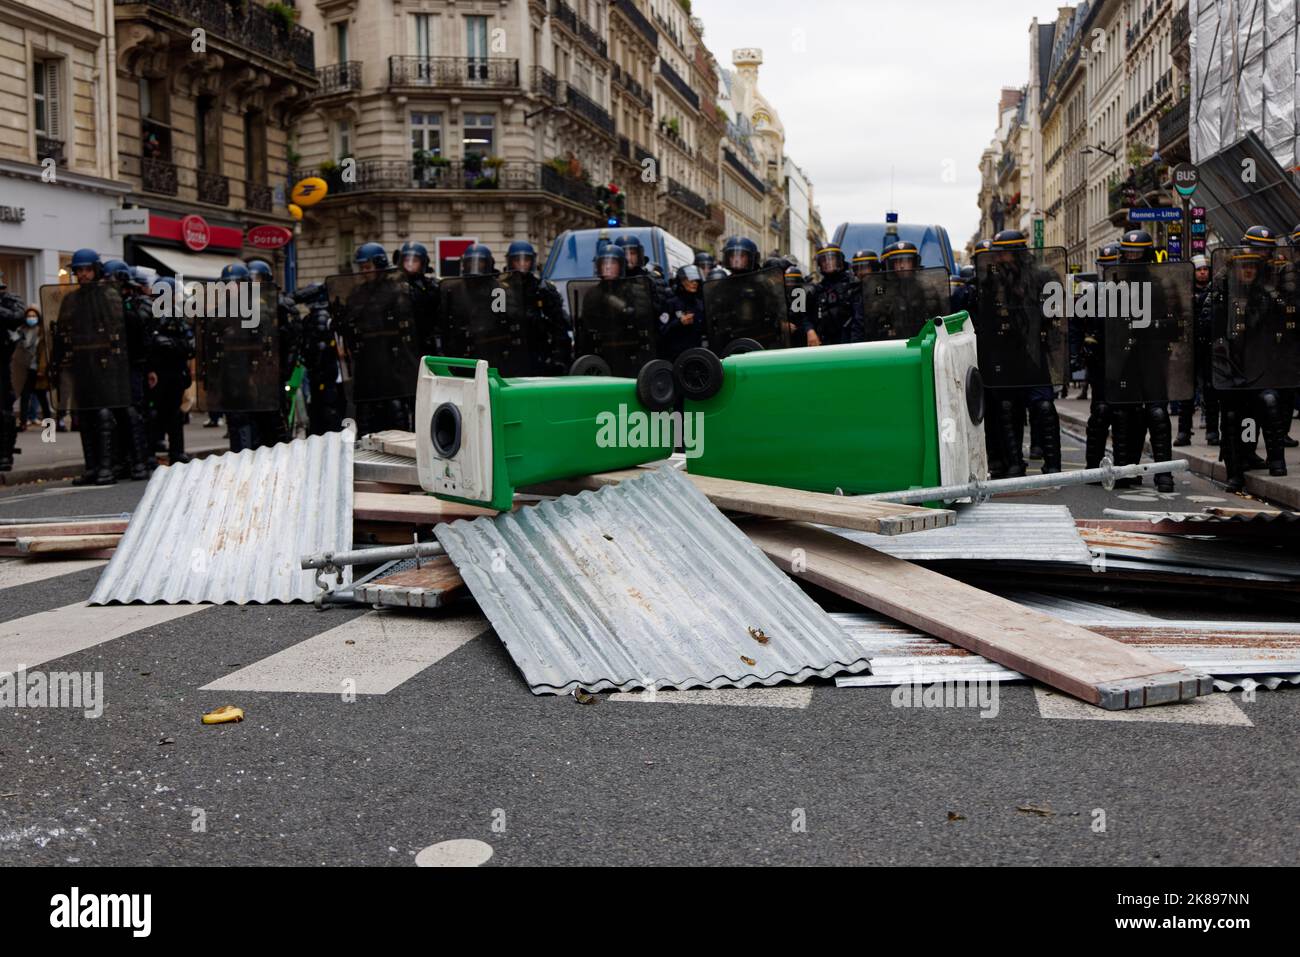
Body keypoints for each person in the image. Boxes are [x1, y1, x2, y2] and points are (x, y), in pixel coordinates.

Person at [976, 229, 1062, 476]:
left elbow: (1055, 311)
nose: (1000, 258)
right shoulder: (991, 281)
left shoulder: (1042, 276)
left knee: (1044, 406)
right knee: (1006, 408)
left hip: (1032, 352)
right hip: (1004, 354)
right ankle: (1014, 463)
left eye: (1004, 253)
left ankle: (1053, 464)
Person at [53, 249, 120, 485]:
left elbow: (118, 331)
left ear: (96, 270)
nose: (83, 274)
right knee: (84, 416)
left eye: (87, 270)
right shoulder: (70, 300)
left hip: (103, 363)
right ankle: (91, 467)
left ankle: (106, 467)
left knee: (103, 415)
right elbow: (61, 333)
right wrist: (58, 362)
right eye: (79, 270)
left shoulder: (108, 296)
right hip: (80, 364)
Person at [145, 276, 194, 464]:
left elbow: (189, 344)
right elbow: (145, 344)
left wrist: (170, 344)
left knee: (174, 413)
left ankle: (177, 451)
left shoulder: (178, 315)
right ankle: (151, 451)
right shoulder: (151, 315)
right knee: (154, 413)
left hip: (174, 370)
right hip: (156, 372)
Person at [504, 240, 571, 375]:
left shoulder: (543, 288)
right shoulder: (500, 290)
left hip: (538, 352)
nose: (522, 264)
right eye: (518, 260)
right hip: (510, 353)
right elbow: (495, 320)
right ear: (511, 262)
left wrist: (559, 356)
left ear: (532, 262)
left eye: (526, 260)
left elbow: (559, 325)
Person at [1082, 243, 1119, 470]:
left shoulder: (1135, 292)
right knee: (1100, 413)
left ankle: (1127, 469)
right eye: (1103, 267)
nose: (1106, 271)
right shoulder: (1092, 293)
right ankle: (1093, 466)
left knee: (1125, 417)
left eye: (1110, 267)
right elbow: (1078, 324)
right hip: (1100, 363)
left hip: (1126, 363)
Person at [292, 283, 344, 435]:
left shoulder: (320, 316)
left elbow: (321, 349)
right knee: (319, 409)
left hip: (324, 374)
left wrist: (314, 365)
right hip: (319, 373)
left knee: (326, 411)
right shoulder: (314, 317)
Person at [394, 241, 440, 354]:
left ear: (422, 263)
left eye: (414, 261)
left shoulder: (431, 286)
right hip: (402, 343)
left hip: (425, 341)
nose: (409, 264)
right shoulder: (393, 285)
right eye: (406, 260)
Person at [810, 244, 858, 346]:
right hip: (826, 343)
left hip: (850, 342)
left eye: (831, 259)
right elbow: (804, 314)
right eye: (824, 260)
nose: (828, 263)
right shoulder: (818, 289)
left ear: (839, 260)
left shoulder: (853, 284)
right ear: (819, 265)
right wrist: (810, 330)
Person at [0, 272, 24, 471]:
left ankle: (5, 454)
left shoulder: (9, 300)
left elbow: (17, 317)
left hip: (4, 364)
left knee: (4, 411)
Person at [662, 264, 705, 361]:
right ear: (681, 282)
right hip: (676, 356)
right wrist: (679, 322)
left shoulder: (699, 303)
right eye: (691, 280)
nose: (695, 283)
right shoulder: (671, 303)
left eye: (696, 281)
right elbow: (662, 330)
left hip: (697, 354)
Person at [18, 305, 50, 430]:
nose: (31, 318)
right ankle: (23, 423)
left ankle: (48, 422)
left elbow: (44, 352)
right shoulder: (21, 330)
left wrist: (42, 369)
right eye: (29, 316)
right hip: (25, 369)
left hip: (38, 370)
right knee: (25, 397)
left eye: (34, 316)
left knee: (42, 397)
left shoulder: (42, 331)